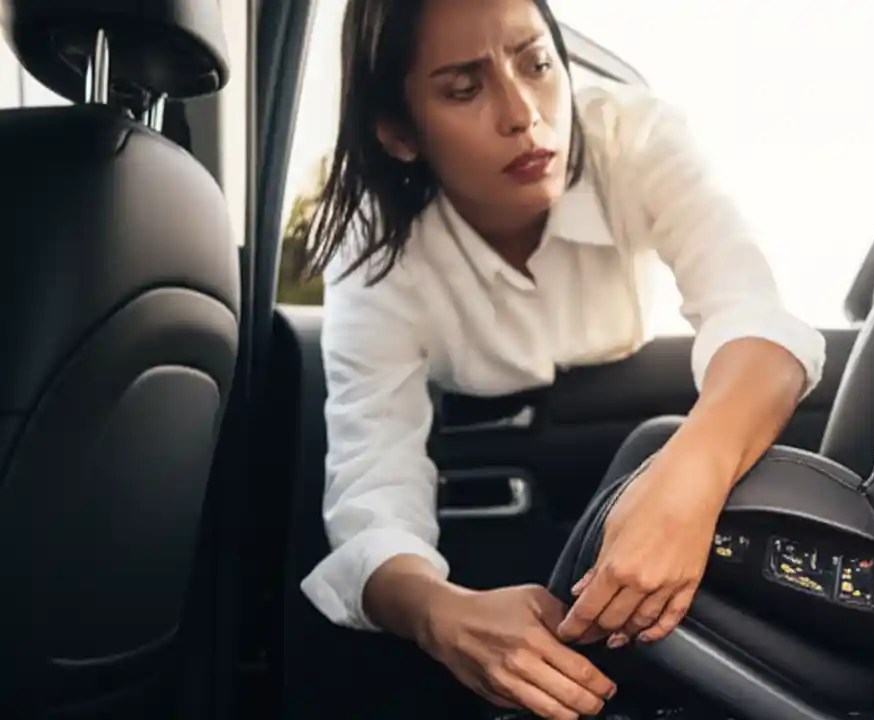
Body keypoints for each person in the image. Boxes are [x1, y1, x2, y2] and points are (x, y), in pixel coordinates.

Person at [299, 0, 826, 717]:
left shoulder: (631, 134)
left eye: (537, 63)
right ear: (397, 133)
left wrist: (691, 474)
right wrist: (441, 615)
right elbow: (372, 485)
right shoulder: (373, 245)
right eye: (463, 89)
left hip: (645, 436)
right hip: (478, 493)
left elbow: (756, 318)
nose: (523, 113)